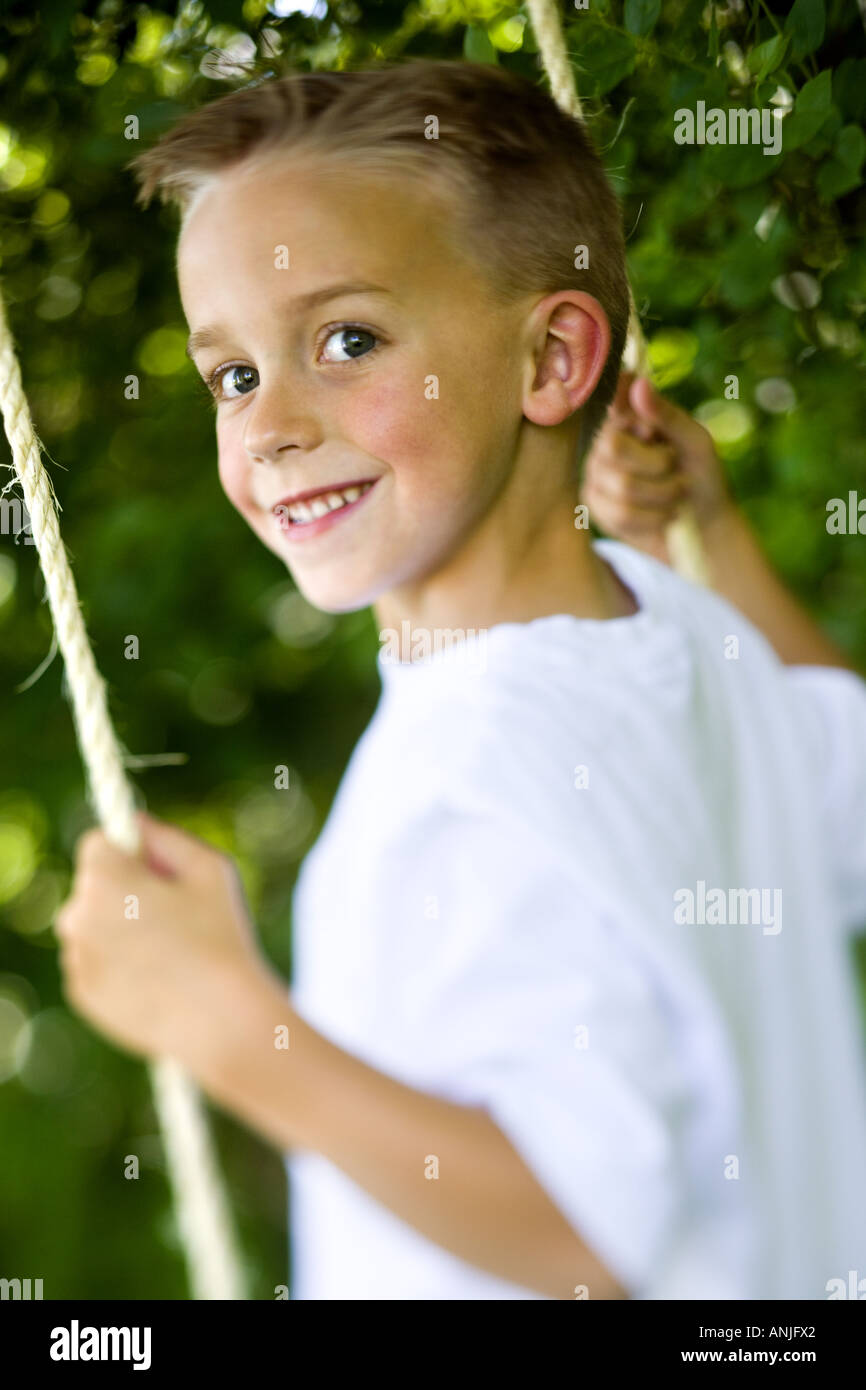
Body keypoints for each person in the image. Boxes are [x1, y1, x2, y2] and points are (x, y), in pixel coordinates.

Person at [54, 60, 866, 1301]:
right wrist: (717, 543)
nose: (268, 422)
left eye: (346, 340)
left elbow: (590, 1239)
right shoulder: (685, 638)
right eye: (232, 374)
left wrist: (230, 1025)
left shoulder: (474, 764)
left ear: (551, 360)